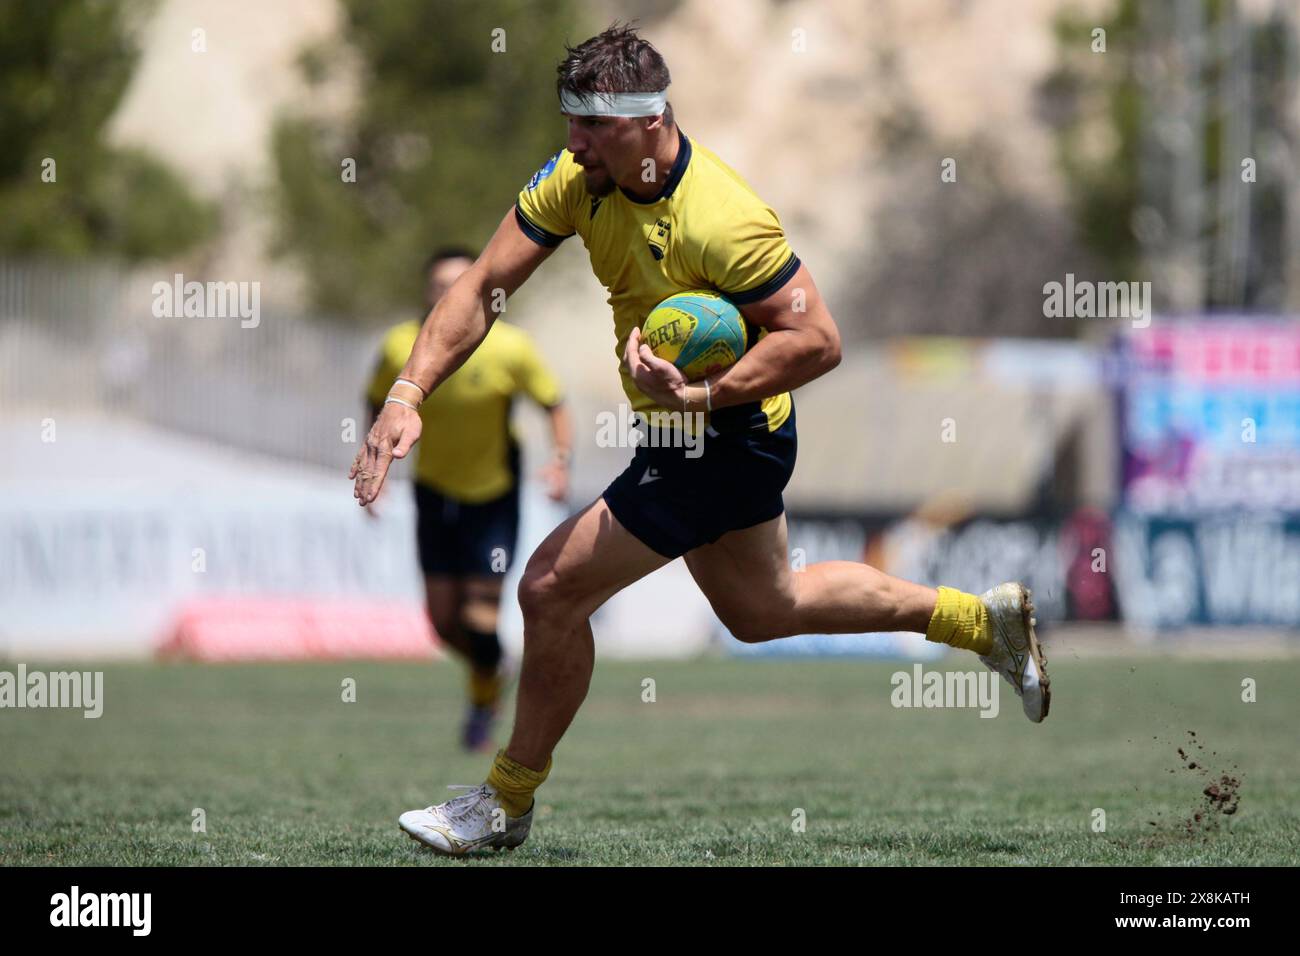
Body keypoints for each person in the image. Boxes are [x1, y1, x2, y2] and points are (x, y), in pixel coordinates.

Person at [351, 26, 1051, 855]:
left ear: (649, 122)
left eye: (592, 127)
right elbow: (484, 283)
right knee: (763, 609)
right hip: (677, 427)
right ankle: (983, 623)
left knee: (548, 588)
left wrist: (706, 391)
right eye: (568, 122)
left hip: (729, 433)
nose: (573, 143)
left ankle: (505, 802)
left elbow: (818, 340)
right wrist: (406, 391)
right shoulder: (579, 178)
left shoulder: (725, 218)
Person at [363, 247, 572, 751]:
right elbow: (377, 401)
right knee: (441, 624)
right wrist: (375, 460)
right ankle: (494, 665)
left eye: (459, 283)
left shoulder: (510, 347)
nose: (447, 293)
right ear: (426, 290)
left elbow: (553, 403)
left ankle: (482, 703)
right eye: (439, 284)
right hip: (434, 492)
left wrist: (560, 459)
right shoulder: (399, 347)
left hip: (493, 494)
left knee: (480, 617)